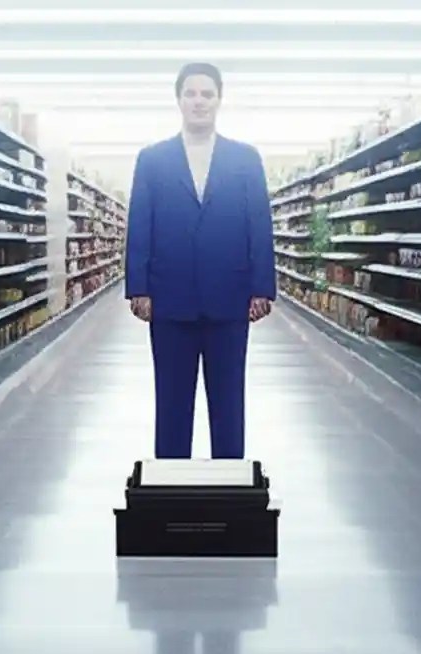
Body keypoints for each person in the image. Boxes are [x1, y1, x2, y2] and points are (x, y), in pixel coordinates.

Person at [123, 62, 277, 460]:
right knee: (171, 402)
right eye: (191, 93)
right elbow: (140, 222)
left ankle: (230, 488)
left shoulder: (246, 159)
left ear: (219, 100)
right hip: (169, 300)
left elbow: (259, 223)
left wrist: (262, 287)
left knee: (229, 401)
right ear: (178, 100)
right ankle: (171, 489)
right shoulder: (152, 160)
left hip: (230, 298)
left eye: (207, 94)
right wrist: (138, 286)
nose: (199, 101)